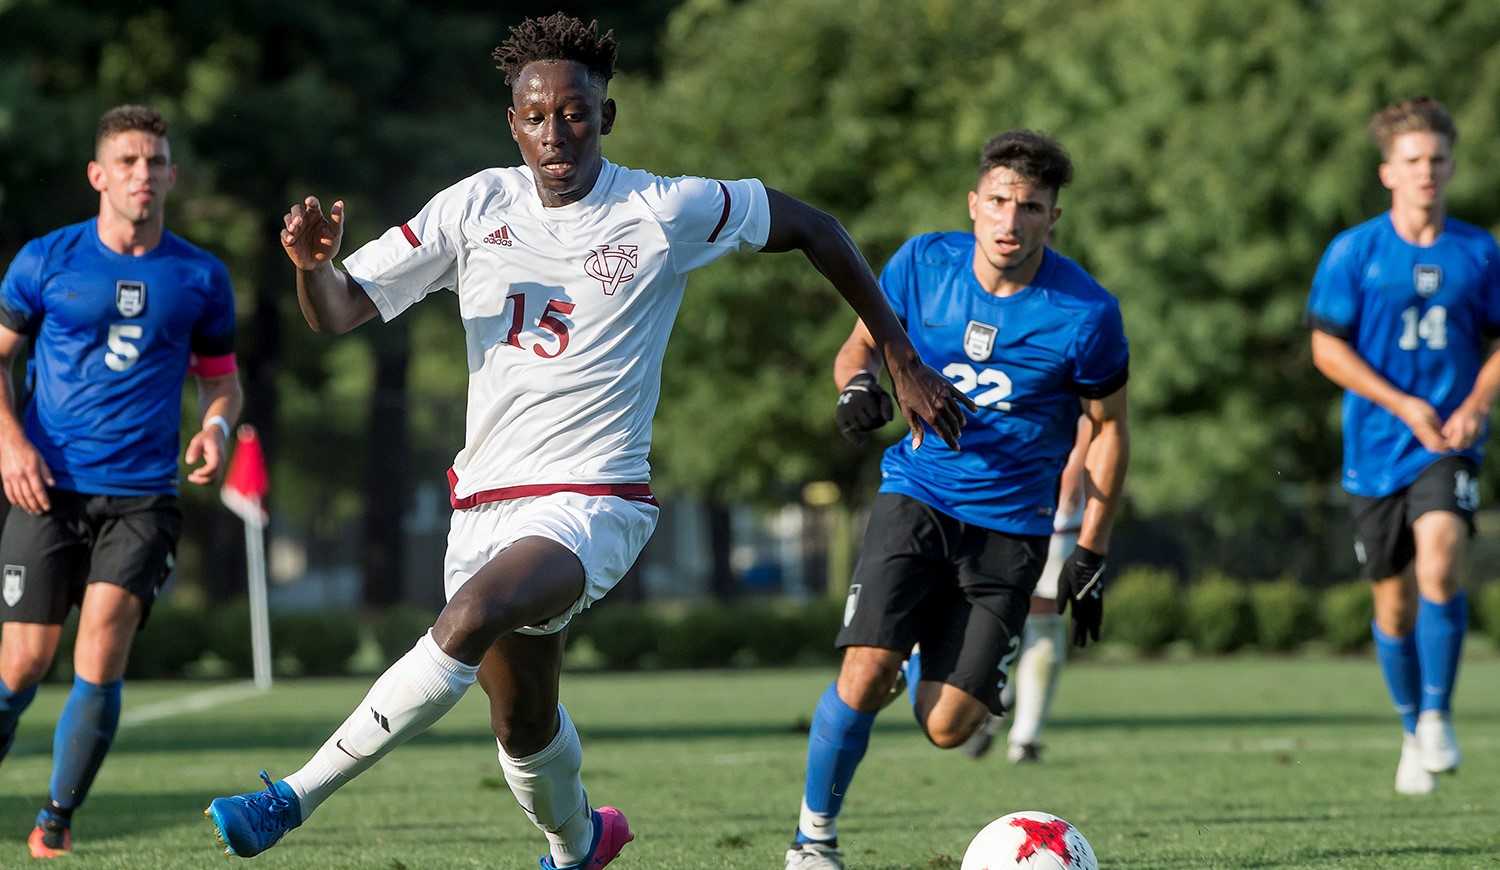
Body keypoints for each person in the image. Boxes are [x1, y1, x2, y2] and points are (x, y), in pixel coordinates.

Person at [204, 13, 967, 869]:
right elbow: (341, 310)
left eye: (574, 114)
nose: (555, 133)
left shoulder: (663, 208)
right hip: (483, 503)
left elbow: (816, 228)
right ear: (513, 124)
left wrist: (900, 357)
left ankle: (290, 798)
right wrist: (313, 268)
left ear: (606, 116)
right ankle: (580, 845)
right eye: (536, 116)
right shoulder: (472, 206)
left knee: (469, 617)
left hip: (594, 501)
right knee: (522, 722)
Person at [791, 130, 1130, 870]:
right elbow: (859, 346)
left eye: (1030, 207)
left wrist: (1092, 549)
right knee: (863, 672)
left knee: (948, 727)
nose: (1011, 221)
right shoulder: (920, 265)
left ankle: (923, 654)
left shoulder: (1086, 313)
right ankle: (813, 839)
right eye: (999, 201)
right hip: (917, 494)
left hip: (1012, 529)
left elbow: (1109, 430)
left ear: (1052, 218)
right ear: (974, 203)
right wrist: (857, 386)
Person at [0, 104, 242, 858]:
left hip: (144, 496)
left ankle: (55, 819)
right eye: (128, 162)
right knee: (23, 665)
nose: (144, 173)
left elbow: (222, 381)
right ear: (98, 175)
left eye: (156, 161)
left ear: (172, 175)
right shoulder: (46, 260)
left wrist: (215, 429)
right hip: (46, 488)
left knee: (101, 643)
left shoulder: (200, 275)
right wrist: (11, 444)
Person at [1306, 96, 1500, 796]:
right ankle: (1413, 727)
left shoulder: (1479, 251)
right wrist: (1402, 403)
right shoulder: (1354, 251)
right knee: (1392, 605)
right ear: (1388, 171)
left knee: (1440, 562)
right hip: (1376, 447)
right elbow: (1326, 348)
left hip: (1447, 444)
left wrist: (1476, 403)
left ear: (1452, 167)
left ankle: (1440, 716)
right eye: (1413, 160)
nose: (1427, 171)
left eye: (1438, 159)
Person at [961, 414, 1089, 763]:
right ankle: (999, 695)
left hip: (1044, 488)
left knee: (1041, 611)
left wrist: (1074, 471)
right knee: (990, 606)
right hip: (992, 487)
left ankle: (1026, 736)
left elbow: (1093, 414)